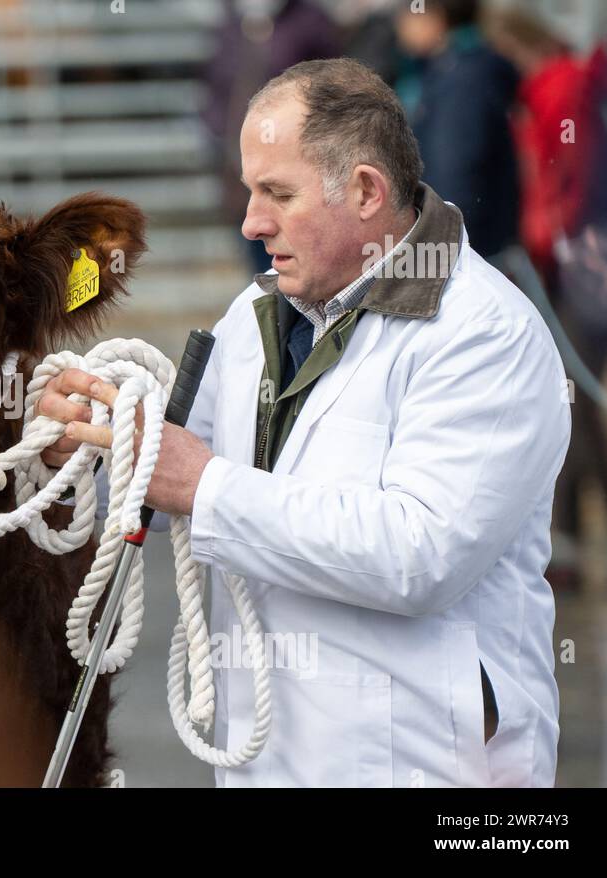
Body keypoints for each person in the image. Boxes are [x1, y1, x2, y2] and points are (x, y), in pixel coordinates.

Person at [40, 59, 569, 787]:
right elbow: (173, 485)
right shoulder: (255, 312)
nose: (252, 222)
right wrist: (90, 450)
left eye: (276, 194)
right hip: (268, 761)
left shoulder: (485, 333)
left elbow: (420, 554)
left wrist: (203, 485)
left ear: (364, 192)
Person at [486, 9, 607, 593]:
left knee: (577, 407)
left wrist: (542, 241)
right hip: (572, 265)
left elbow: (563, 179)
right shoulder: (564, 83)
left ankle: (588, 544)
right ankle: (563, 547)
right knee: (566, 402)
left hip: (575, 267)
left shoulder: (557, 87)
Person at [203, 0, 341, 275]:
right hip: (240, 166)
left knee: (297, 253)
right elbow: (216, 83)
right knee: (258, 252)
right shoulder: (232, 23)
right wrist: (216, 130)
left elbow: (335, 87)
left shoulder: (309, 21)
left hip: (296, 163)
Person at [395, 0, 521, 259]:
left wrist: (437, 243)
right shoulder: (447, 71)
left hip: (462, 245)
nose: (400, 24)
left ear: (436, 16)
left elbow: (455, 171)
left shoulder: (460, 80)